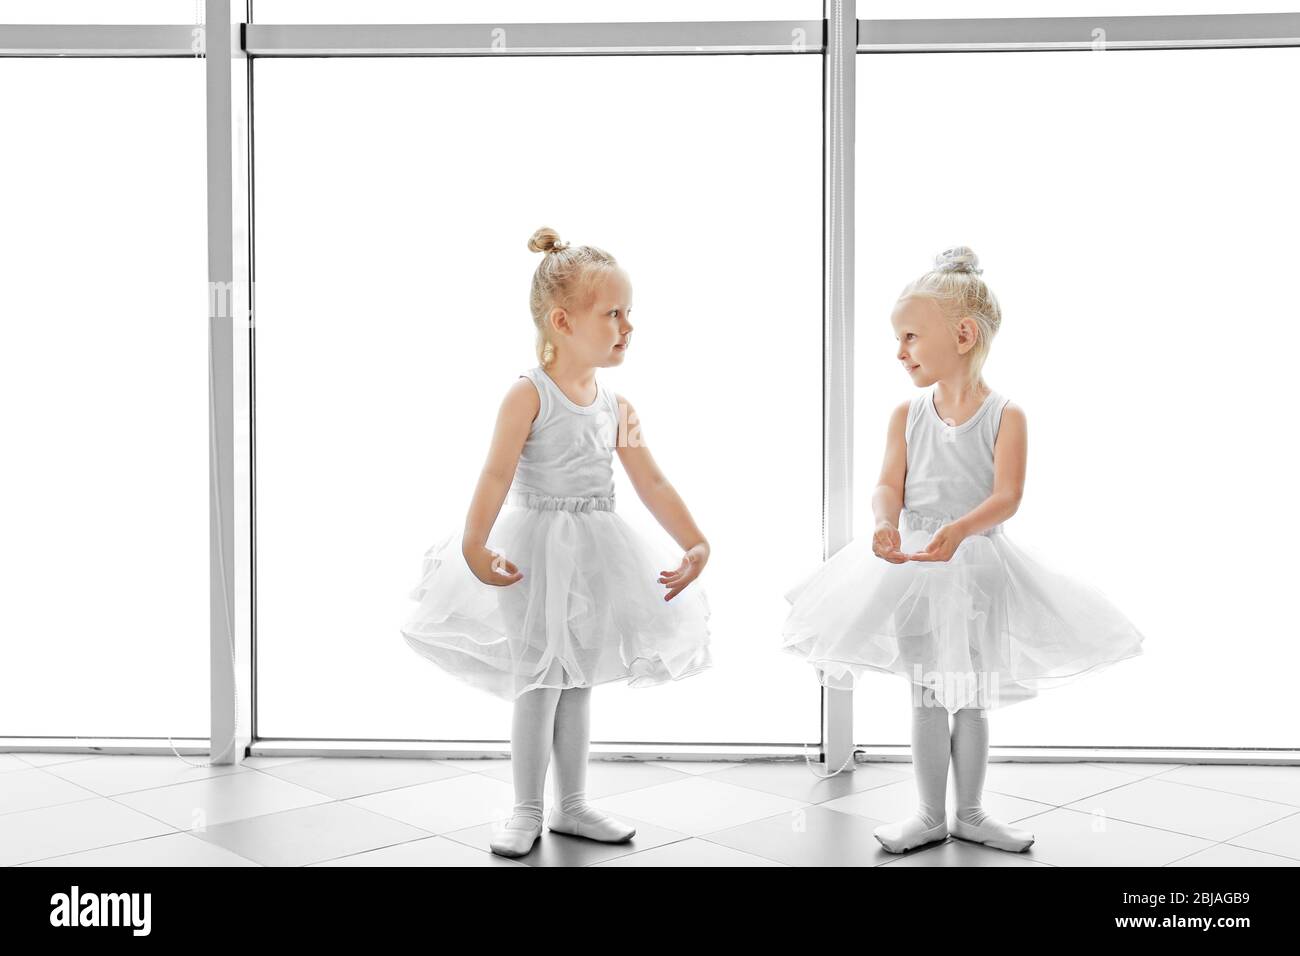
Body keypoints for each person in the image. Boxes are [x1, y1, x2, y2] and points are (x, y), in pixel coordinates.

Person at [781, 245, 1145, 854]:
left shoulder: (1007, 415)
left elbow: (1007, 496)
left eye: (910, 337)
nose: (899, 352)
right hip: (918, 570)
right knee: (925, 693)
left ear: (963, 334)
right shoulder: (907, 414)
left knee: (970, 699)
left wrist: (961, 529)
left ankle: (971, 812)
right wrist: (882, 522)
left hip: (974, 568)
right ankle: (928, 814)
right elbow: (887, 482)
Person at [401, 227, 712, 858]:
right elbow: (495, 472)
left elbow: (649, 479)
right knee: (539, 679)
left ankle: (571, 805)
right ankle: (523, 808)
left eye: (630, 313)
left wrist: (694, 540)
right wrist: (474, 542)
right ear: (563, 321)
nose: (628, 325)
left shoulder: (616, 403)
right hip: (534, 551)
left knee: (578, 682)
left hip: (596, 552)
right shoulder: (528, 393)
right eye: (614, 313)